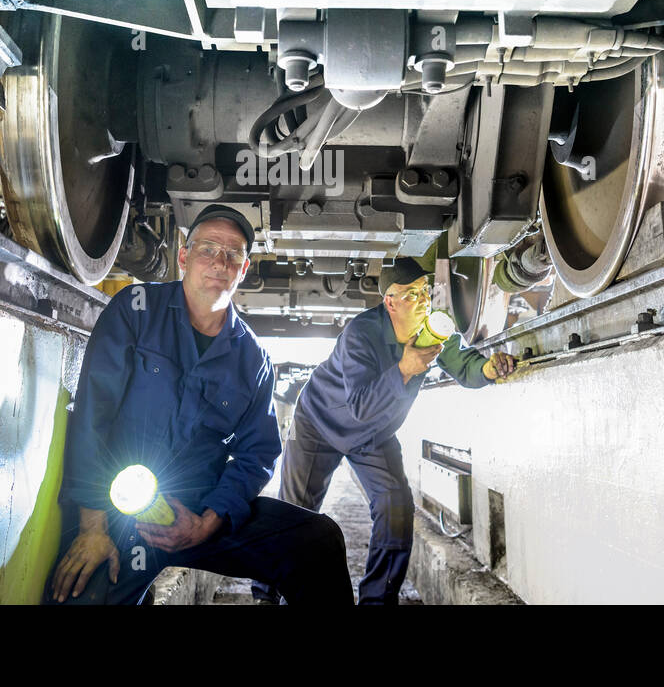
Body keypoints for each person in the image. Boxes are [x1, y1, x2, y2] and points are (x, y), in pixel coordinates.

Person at [46, 204, 353, 605]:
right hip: (117, 509)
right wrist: (91, 527)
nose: (220, 262)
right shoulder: (135, 311)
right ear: (184, 257)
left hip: (196, 509)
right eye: (208, 249)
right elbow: (92, 417)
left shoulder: (253, 359)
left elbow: (257, 454)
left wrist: (209, 520)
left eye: (233, 255)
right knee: (78, 595)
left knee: (318, 541)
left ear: (243, 271)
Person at [253, 257, 516, 605]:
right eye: (412, 295)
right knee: (296, 512)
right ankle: (267, 593)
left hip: (372, 435)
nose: (423, 301)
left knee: (395, 506)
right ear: (390, 301)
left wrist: (487, 368)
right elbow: (360, 406)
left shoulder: (435, 328)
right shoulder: (361, 333)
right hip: (319, 424)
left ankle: (378, 600)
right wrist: (404, 370)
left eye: (425, 292)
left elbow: (464, 365)